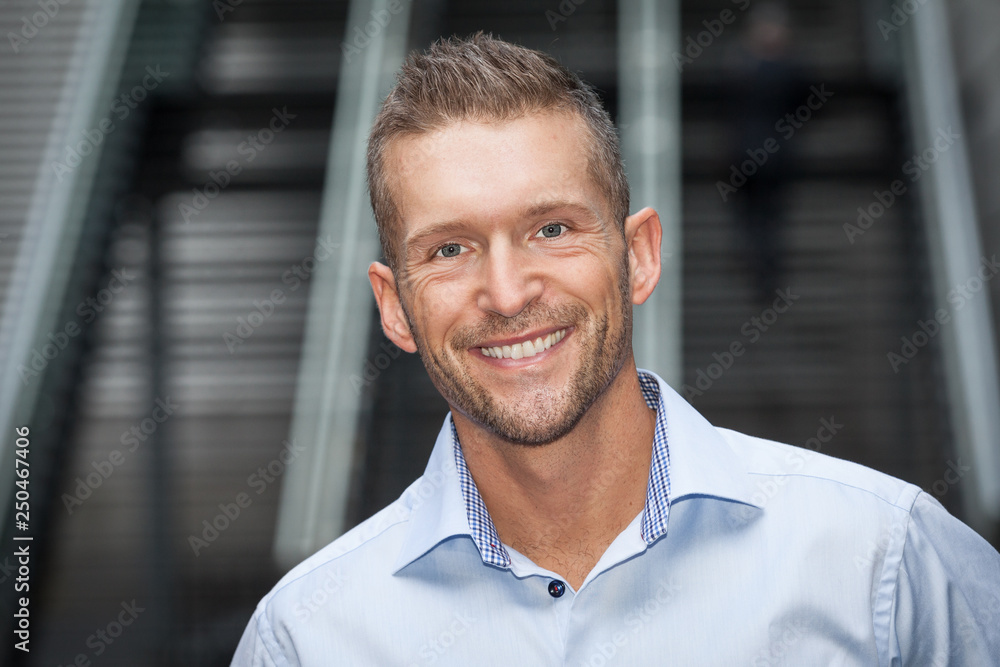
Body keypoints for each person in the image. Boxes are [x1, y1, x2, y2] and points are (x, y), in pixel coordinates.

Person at [232, 34, 1000, 666]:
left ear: (639, 256)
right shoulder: (305, 638)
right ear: (395, 307)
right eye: (450, 249)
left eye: (552, 229)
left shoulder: (886, 563)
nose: (507, 293)